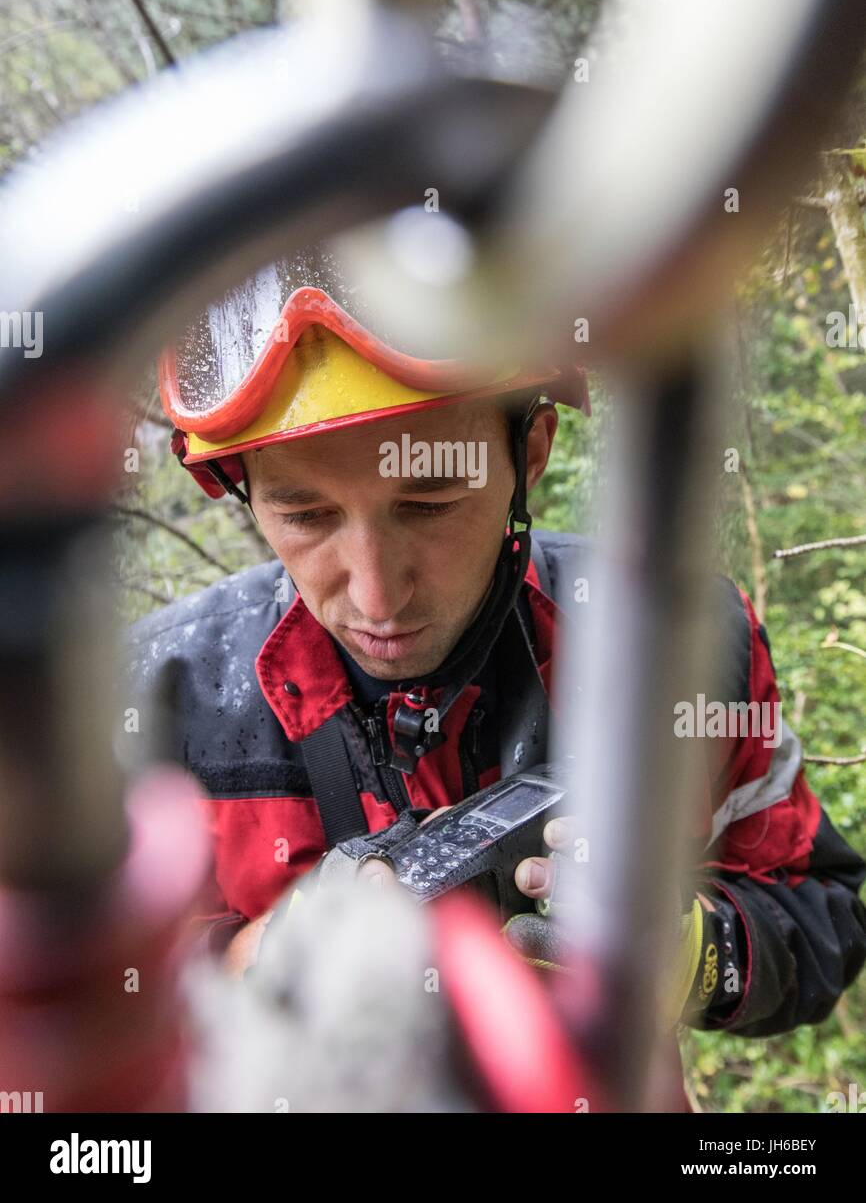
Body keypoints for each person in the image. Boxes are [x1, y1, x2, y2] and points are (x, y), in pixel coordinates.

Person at [126, 248, 866, 1039]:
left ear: (532, 454)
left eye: (430, 504)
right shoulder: (160, 703)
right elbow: (84, 1020)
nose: (376, 595)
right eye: (305, 517)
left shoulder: (676, 642)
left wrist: (695, 956)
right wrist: (260, 964)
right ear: (244, 490)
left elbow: (819, 912)